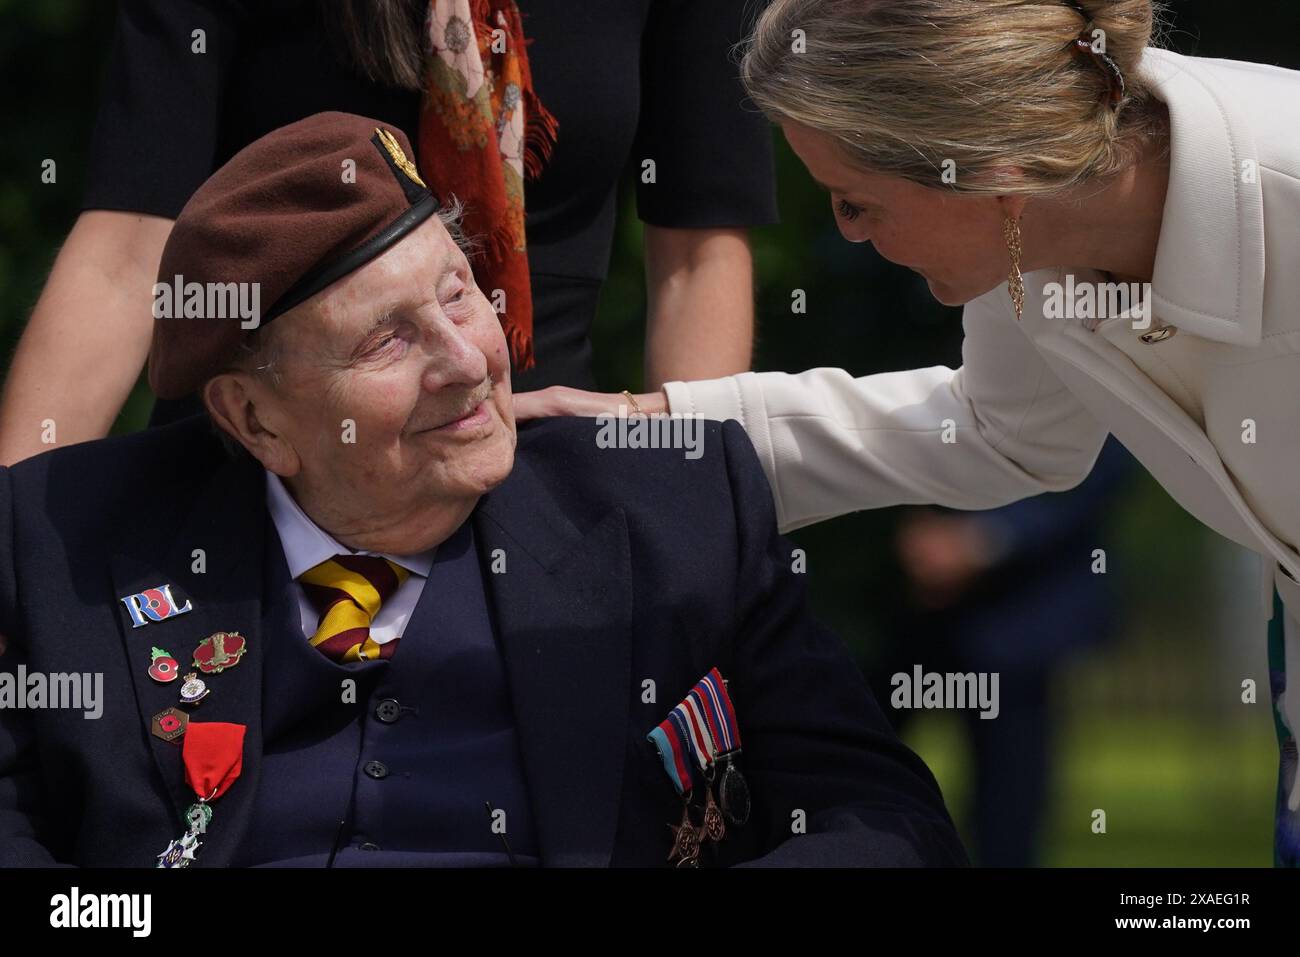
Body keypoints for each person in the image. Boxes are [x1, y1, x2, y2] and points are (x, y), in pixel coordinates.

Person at [0, 113, 965, 868]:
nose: (468, 362)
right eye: (388, 340)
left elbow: (884, 821)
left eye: (460, 295)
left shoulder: (674, 511)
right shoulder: (62, 537)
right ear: (255, 420)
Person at [514, 0, 1300, 865]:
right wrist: (650, 425)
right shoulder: (1037, 221)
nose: (850, 232)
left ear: (985, 166)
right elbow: (999, 432)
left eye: (855, 202)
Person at [0, 0, 774, 463]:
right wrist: (17, 544)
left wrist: (693, 513)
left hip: (532, 470)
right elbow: (129, 257)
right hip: (267, 477)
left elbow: (697, 262)